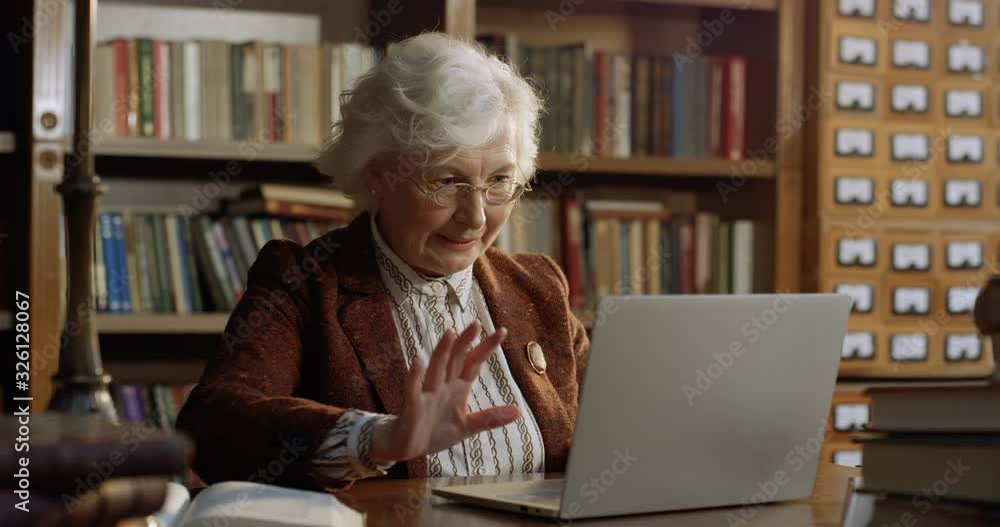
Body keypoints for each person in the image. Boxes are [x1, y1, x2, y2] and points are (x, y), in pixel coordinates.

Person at [176, 32, 590, 490]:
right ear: (378, 175)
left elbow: (613, 431)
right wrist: (379, 438)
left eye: (499, 181)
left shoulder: (538, 286)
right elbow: (214, 422)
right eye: (447, 180)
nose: (475, 217)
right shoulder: (306, 282)